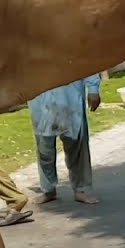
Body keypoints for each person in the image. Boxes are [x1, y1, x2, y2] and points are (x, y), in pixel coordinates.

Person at [28, 74, 102, 205]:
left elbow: (86, 59)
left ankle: (81, 190)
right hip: (40, 100)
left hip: (70, 97)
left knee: (77, 147)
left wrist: (93, 89)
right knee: (44, 150)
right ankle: (48, 190)